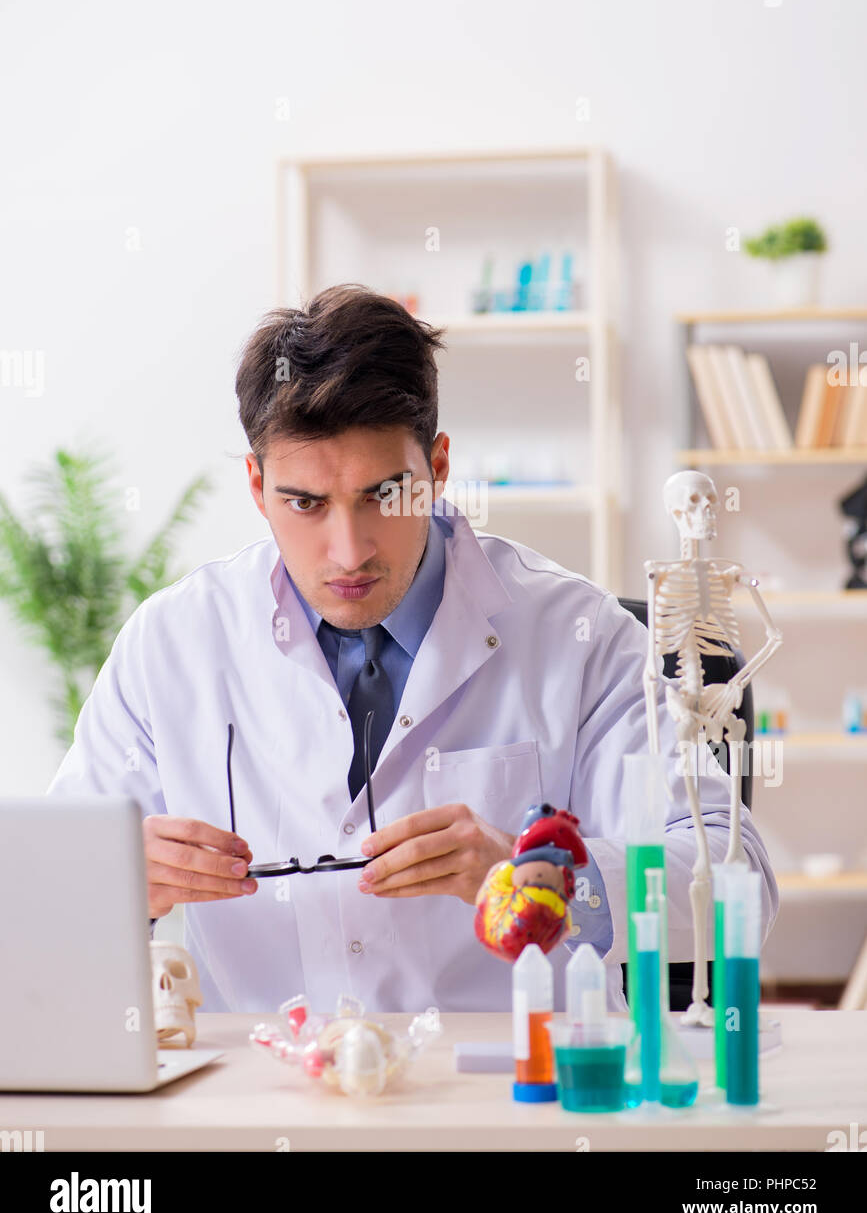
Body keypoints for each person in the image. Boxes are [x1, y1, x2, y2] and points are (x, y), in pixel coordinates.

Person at [48, 284, 778, 1013]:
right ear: (256, 484)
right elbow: (43, 894)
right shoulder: (172, 645)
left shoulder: (577, 635)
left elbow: (738, 880)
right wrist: (113, 886)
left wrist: (544, 878)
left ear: (437, 468)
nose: (348, 551)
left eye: (383, 494)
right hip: (262, 1096)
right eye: (305, 503)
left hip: (512, 1093)